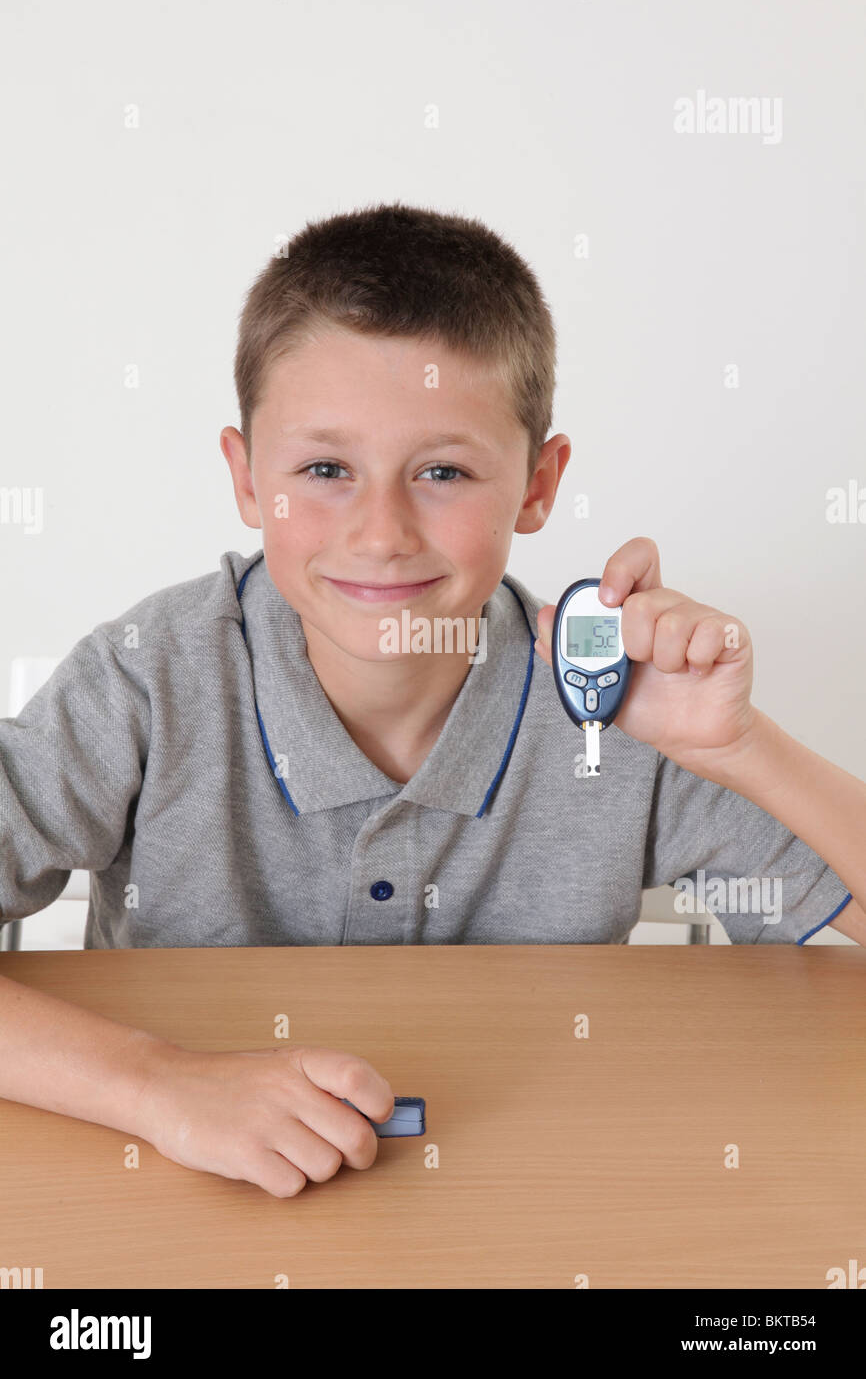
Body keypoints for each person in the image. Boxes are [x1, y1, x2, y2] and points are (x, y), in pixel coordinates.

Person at [1, 202, 863, 1198]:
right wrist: (159, 1087)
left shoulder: (616, 705)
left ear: (538, 485)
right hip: (166, 1199)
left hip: (518, 1202)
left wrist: (741, 746)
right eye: (325, 469)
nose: (379, 533)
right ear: (245, 478)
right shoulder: (146, 678)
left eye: (442, 471)